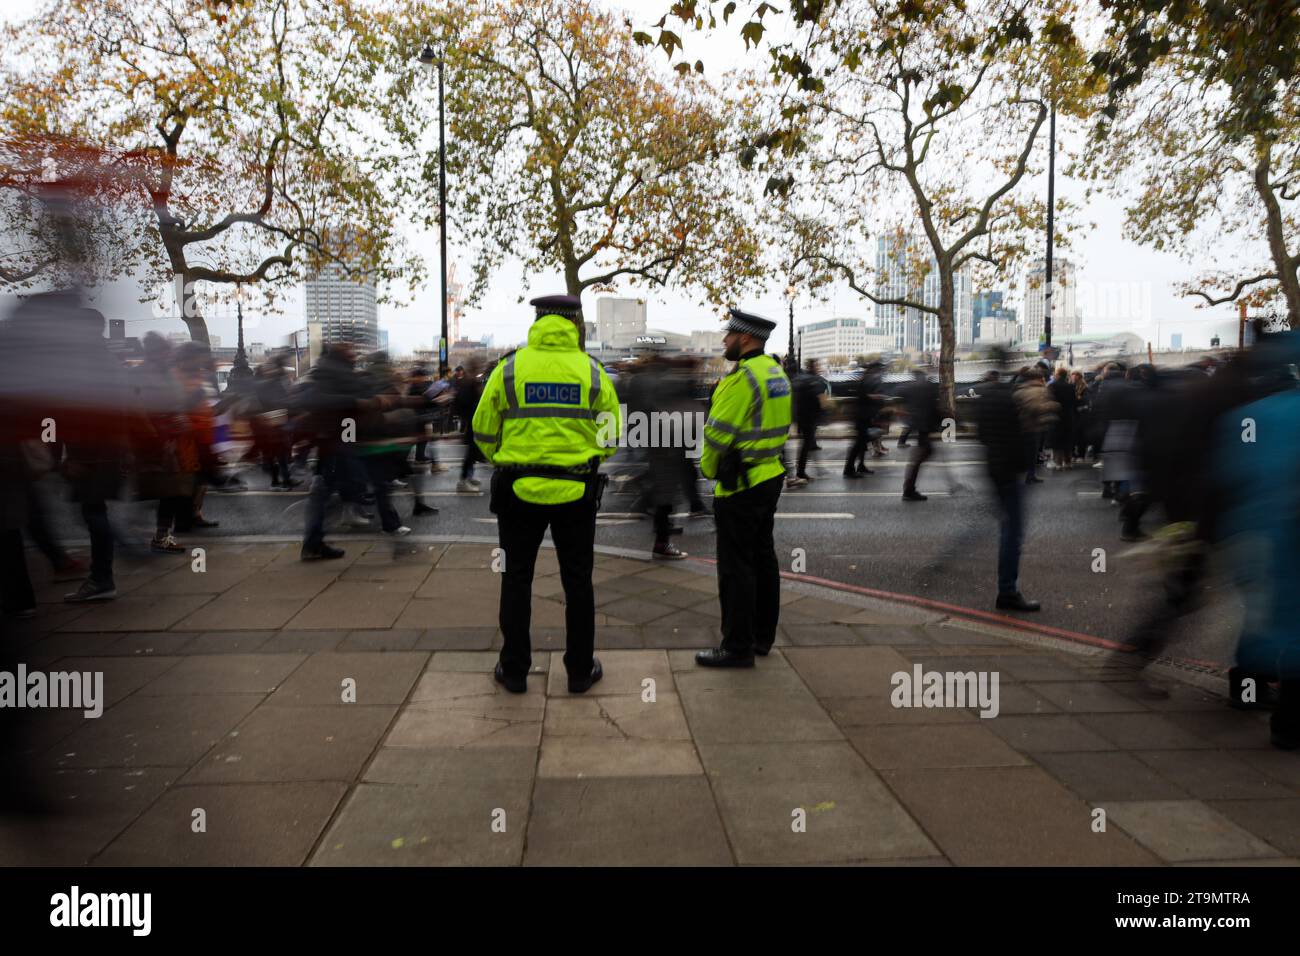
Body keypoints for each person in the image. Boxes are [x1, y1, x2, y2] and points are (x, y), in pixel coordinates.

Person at [472, 294, 621, 695]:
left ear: (537, 320)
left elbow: (483, 431)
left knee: (516, 579)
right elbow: (610, 437)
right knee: (578, 582)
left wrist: (508, 458)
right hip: (577, 492)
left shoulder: (510, 369)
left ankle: (516, 670)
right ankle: (578, 672)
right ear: (575, 323)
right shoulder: (592, 372)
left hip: (518, 492)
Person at [694, 308, 792, 667]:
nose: (724, 340)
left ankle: (737, 647)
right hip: (769, 476)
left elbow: (717, 436)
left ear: (746, 338)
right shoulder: (776, 374)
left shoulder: (740, 380)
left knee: (736, 569)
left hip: (740, 486)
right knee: (764, 560)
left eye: (729, 335)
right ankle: (762, 638)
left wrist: (708, 470)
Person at [973, 356, 1040, 612]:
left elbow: (980, 434)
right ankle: (1007, 591)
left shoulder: (985, 396)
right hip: (1009, 471)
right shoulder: (1012, 399)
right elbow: (1023, 436)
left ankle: (1007, 590)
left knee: (1004, 525)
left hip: (992, 466)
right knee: (1012, 531)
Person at [899, 368, 941, 501]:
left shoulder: (909, 387)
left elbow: (900, 396)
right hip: (925, 425)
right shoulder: (929, 386)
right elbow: (935, 407)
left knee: (923, 453)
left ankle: (909, 488)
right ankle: (908, 490)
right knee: (922, 455)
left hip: (917, 424)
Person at [788, 358, 828, 486]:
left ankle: (799, 472)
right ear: (813, 366)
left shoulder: (801, 378)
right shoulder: (815, 381)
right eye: (817, 365)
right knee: (805, 446)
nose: (819, 367)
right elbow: (823, 401)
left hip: (800, 416)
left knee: (805, 445)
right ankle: (799, 473)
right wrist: (826, 413)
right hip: (810, 417)